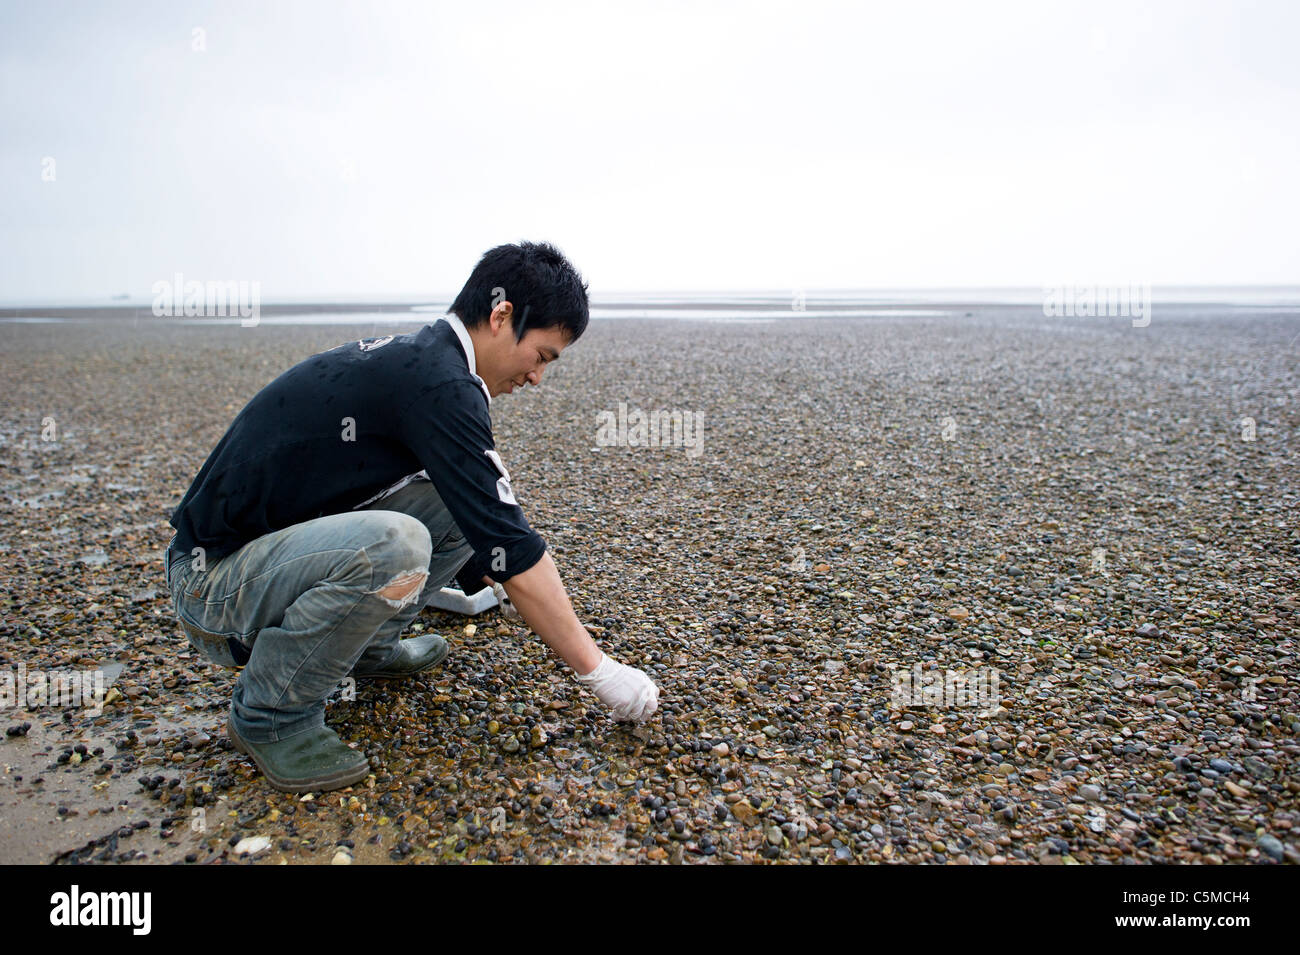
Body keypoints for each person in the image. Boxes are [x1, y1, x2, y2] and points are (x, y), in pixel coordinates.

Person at [163, 241, 660, 793]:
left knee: (452, 502)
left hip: (259, 559)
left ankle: (367, 646)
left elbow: (485, 521)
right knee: (393, 545)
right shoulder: (438, 383)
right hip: (211, 585)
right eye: (542, 356)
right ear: (502, 316)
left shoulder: (426, 362)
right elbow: (513, 546)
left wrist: (476, 574)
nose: (537, 378)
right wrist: (600, 672)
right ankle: (271, 714)